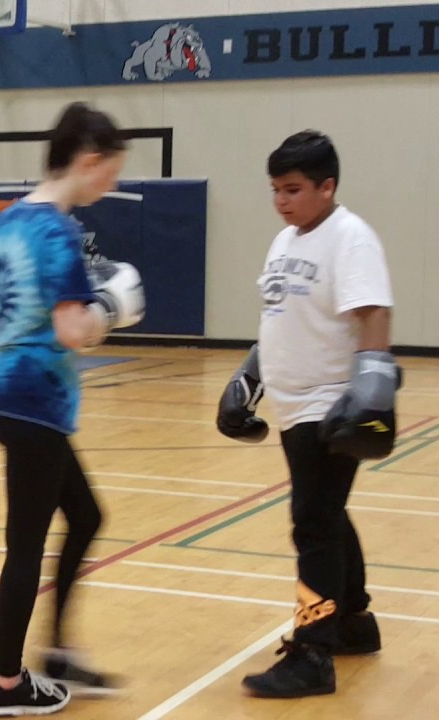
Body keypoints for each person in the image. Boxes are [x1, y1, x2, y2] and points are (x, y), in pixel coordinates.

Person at [0, 101, 143, 717]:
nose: (110, 185)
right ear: (87, 161)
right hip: (33, 400)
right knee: (26, 544)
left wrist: (28, 304)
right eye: (109, 172)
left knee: (85, 516)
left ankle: (55, 653)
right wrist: (112, 310)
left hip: (4, 397)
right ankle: (5, 684)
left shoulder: (7, 220)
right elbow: (71, 331)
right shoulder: (59, 232)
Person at [219, 129, 394, 698]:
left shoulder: (351, 239)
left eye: (293, 189)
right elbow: (277, 314)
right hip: (295, 406)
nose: (281, 201)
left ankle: (313, 653)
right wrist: (249, 377)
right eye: (275, 190)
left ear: (328, 186)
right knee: (329, 515)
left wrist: (371, 389)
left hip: (330, 403)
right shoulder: (285, 241)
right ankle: (353, 620)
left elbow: (372, 314)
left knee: (312, 522)